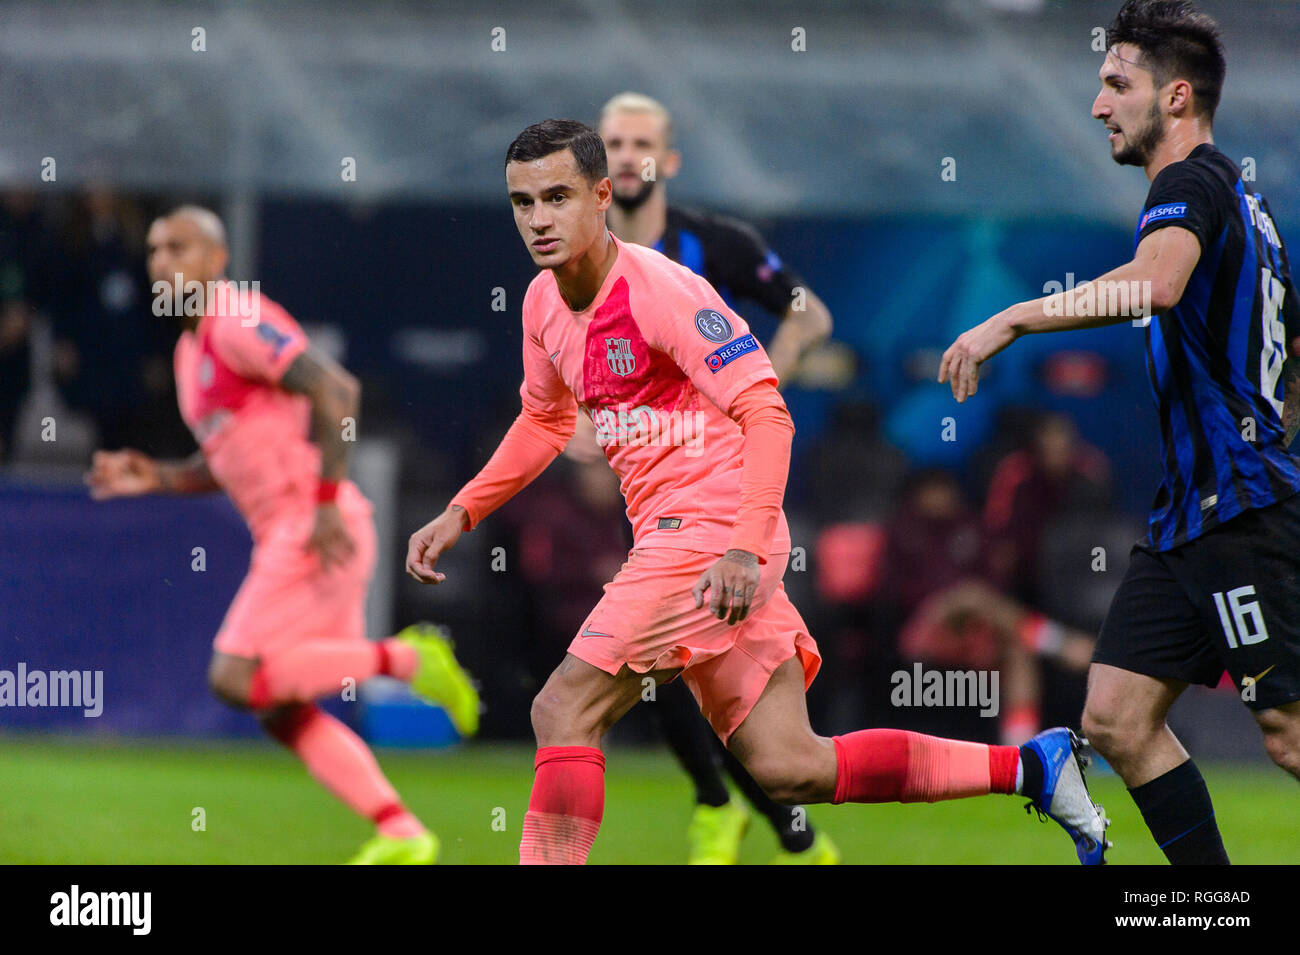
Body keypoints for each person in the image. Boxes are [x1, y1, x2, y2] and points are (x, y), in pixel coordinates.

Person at [407, 119, 1110, 866]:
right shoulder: (543, 305)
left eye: (557, 196)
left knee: (562, 709)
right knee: (790, 764)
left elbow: (767, 410)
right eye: (522, 202)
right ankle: (1034, 766)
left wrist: (742, 546)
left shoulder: (665, 291)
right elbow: (545, 421)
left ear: (602, 195)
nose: (539, 219)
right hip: (690, 544)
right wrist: (462, 509)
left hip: (713, 534)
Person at [940, 0, 1300, 864]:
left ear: (1176, 98)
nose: (1098, 104)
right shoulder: (1247, 205)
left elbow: (1155, 285)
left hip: (1240, 512)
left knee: (1286, 733)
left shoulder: (1191, 184)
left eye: (1116, 84)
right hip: (1192, 518)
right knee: (1115, 718)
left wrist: (1013, 319)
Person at [86, 205, 480, 865]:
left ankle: (406, 660)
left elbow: (337, 390)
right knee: (280, 706)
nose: (162, 262)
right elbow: (223, 464)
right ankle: (402, 830)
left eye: (178, 247)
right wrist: (153, 475)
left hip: (313, 525)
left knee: (234, 676)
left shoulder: (237, 318)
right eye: (154, 250)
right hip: (294, 529)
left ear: (216, 261)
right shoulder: (189, 353)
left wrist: (325, 503)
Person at [600, 91, 836, 863]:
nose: (626, 154)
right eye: (612, 142)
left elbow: (810, 313)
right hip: (645, 480)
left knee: (681, 655)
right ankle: (774, 826)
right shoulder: (581, 254)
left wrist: (765, 380)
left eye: (641, 142)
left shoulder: (715, 244)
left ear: (666, 161)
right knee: (662, 663)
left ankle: (726, 811)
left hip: (726, 482)